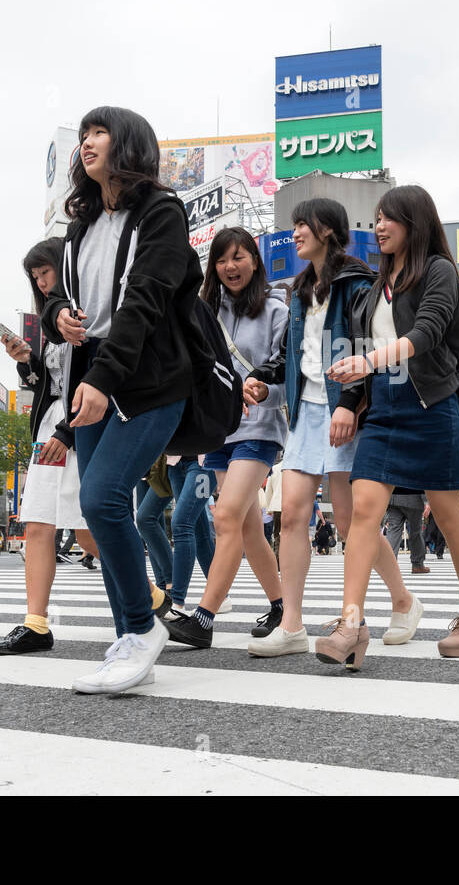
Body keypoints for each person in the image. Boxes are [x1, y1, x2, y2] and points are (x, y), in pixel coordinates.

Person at [39, 106, 203, 692]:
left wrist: (104, 380)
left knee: (105, 496)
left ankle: (142, 627)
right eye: (84, 134)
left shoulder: (161, 212)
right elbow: (54, 296)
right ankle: (129, 642)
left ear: (127, 143)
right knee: (96, 504)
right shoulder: (80, 226)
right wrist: (58, 314)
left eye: (100, 132)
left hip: (148, 378)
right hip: (92, 377)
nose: (88, 142)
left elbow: (145, 302)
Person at [240, 197, 421, 659]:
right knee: (294, 513)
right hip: (306, 412)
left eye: (303, 224)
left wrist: (350, 403)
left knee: (347, 520)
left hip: (345, 412)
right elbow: (293, 355)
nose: (295, 232)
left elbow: (365, 347)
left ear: (327, 230)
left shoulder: (357, 282)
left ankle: (403, 600)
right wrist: (262, 379)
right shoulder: (300, 288)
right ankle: (293, 624)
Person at [320, 184, 459, 669]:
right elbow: (354, 355)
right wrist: (348, 402)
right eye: (376, 218)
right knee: (364, 509)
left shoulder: (438, 271)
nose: (379, 226)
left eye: (390, 217)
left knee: (448, 512)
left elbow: (428, 332)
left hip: (432, 407)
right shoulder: (374, 288)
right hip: (384, 413)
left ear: (415, 223)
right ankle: (350, 623)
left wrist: (368, 361)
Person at [0, 238, 124, 656]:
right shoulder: (51, 324)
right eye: (35, 277)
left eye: (46, 272)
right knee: (39, 523)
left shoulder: (91, 310)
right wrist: (26, 361)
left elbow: (104, 375)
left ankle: (151, 600)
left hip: (86, 427)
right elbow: (47, 385)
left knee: (90, 530)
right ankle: (36, 623)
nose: (42, 283)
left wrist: (66, 433)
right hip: (52, 430)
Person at [162, 226, 288, 647]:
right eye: (221, 259)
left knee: (226, 515)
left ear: (255, 260)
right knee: (249, 526)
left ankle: (203, 617)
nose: (230, 266)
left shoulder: (277, 309)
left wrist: (263, 387)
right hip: (220, 429)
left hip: (261, 427)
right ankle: (282, 606)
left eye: (239, 257)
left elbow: (286, 370)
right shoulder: (205, 311)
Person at [385, 488, 430, 573]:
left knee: (393, 530)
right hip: (413, 498)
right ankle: (417, 564)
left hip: (394, 497)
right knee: (415, 532)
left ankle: (388, 564)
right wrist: (426, 501)